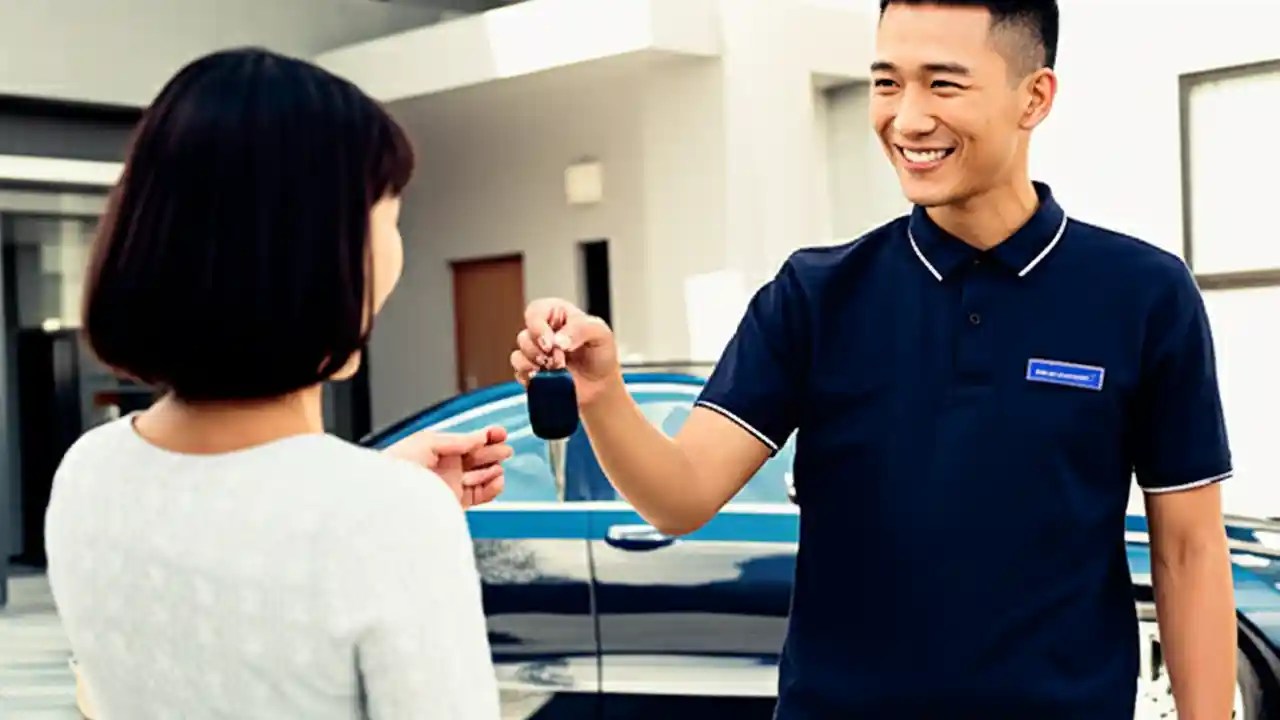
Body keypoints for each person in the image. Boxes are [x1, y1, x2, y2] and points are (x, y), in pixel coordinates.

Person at [511, 1, 1237, 717]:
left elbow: (1190, 553)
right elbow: (681, 495)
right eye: (887, 82)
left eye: (943, 84)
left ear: (1034, 97)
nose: (908, 117)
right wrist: (602, 394)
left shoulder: (1141, 294)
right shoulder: (814, 295)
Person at [45, 48, 506, 719]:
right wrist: (383, 504)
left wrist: (372, 488)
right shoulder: (387, 517)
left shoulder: (87, 471)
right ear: (322, 253)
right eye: (390, 218)